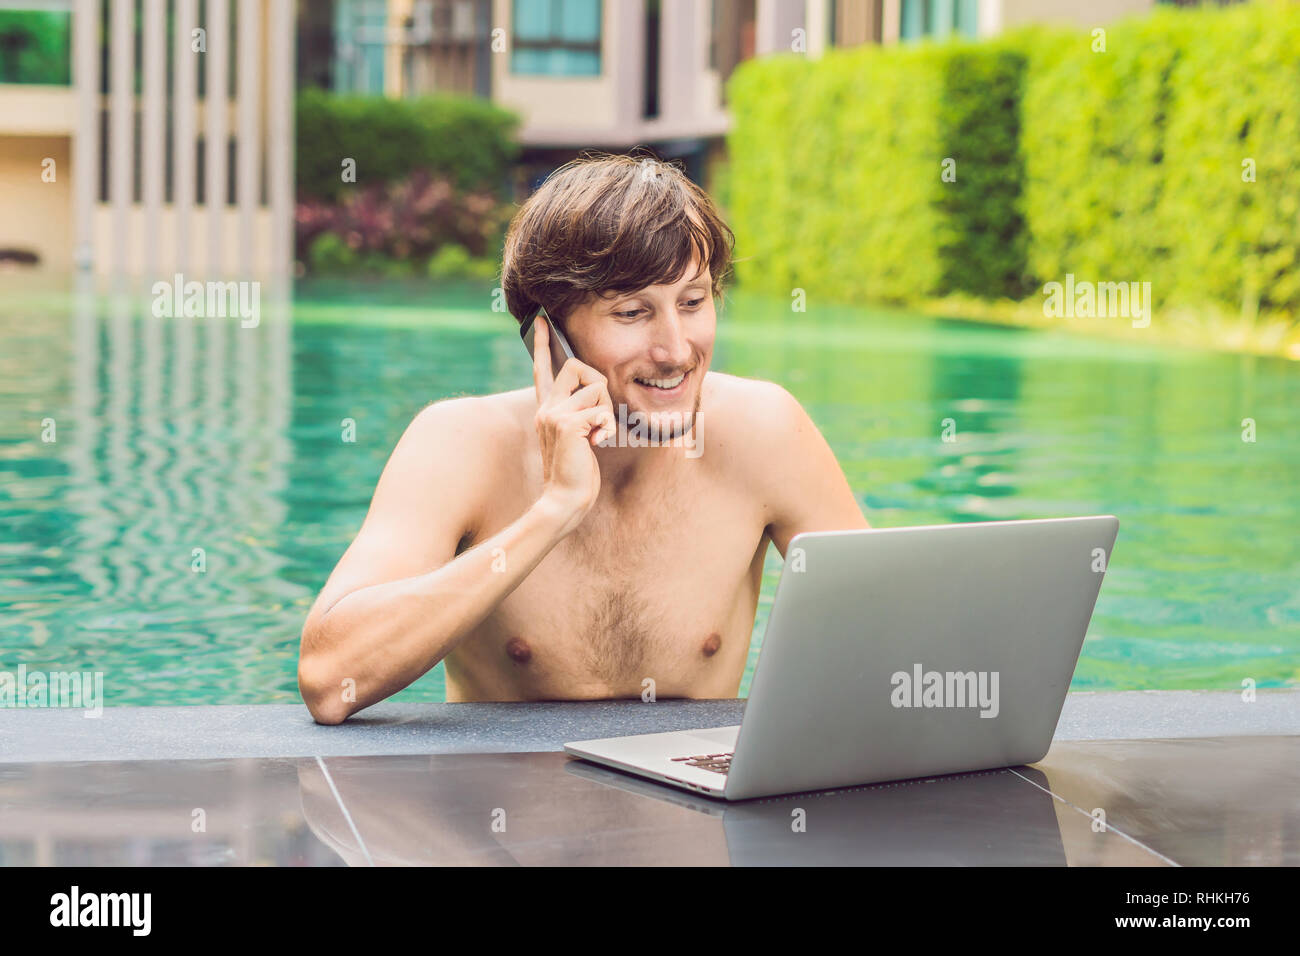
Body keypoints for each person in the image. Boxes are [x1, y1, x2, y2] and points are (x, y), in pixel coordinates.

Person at [298, 153, 869, 724]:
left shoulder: (763, 431)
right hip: (509, 804)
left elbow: (891, 638)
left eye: (693, 303)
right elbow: (330, 680)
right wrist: (554, 511)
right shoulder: (460, 445)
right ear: (547, 335)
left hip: (692, 806)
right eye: (632, 312)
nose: (676, 349)